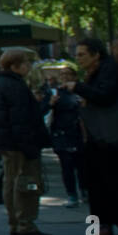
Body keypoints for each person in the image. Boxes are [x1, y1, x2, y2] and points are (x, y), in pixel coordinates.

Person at [63, 38, 118, 235]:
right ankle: (99, 226)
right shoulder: (95, 72)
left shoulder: (110, 70)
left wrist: (78, 87)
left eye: (82, 54)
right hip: (97, 135)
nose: (78, 58)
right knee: (96, 182)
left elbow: (105, 97)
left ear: (96, 54)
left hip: (111, 136)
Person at [0, 50, 53, 235]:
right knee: (26, 183)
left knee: (11, 182)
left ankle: (16, 223)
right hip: (19, 144)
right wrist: (29, 146)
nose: (29, 66)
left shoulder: (3, 84)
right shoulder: (15, 86)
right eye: (26, 63)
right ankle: (25, 223)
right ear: (14, 66)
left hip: (9, 142)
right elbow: (21, 119)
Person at [45, 66, 85, 206]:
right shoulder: (54, 93)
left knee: (82, 166)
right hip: (61, 133)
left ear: (74, 76)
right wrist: (50, 104)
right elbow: (43, 110)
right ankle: (72, 194)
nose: (65, 77)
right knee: (66, 165)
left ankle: (84, 191)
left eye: (68, 74)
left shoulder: (81, 92)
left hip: (78, 133)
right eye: (62, 74)